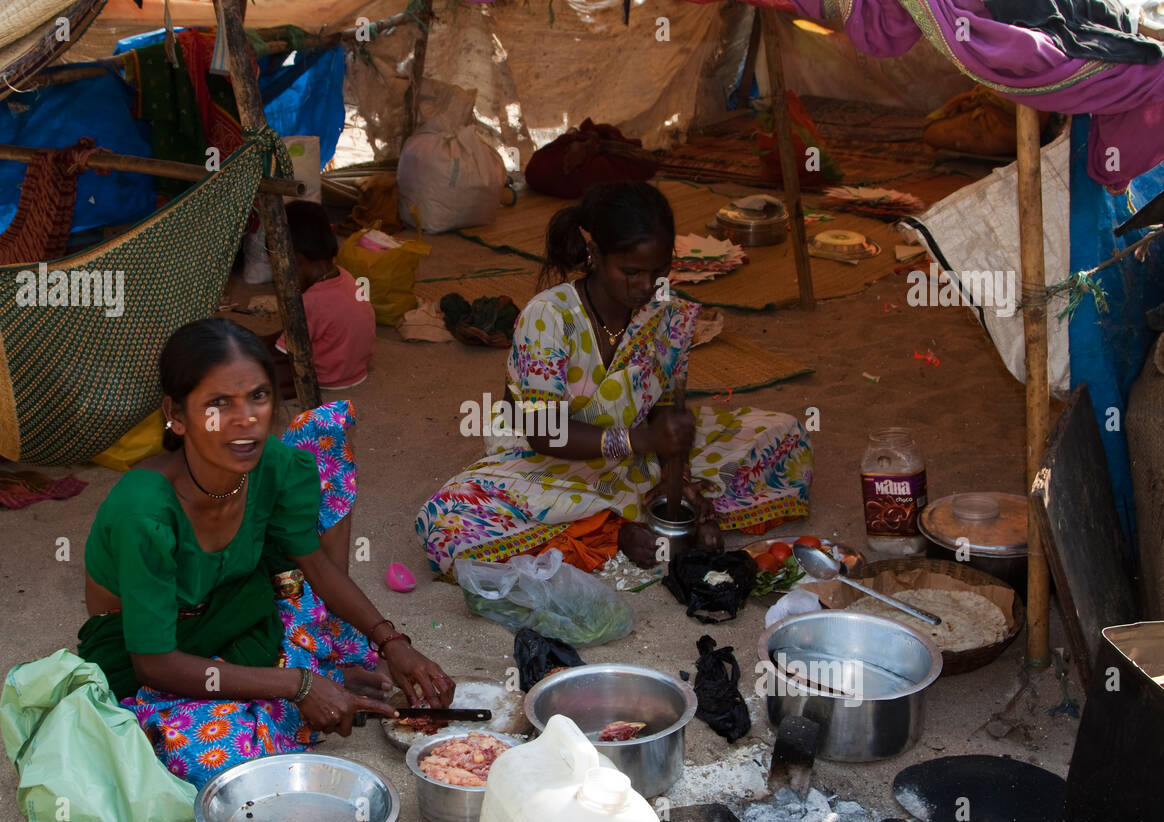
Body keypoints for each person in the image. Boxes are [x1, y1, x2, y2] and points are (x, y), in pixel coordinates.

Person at [78, 318, 453, 787]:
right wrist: (298, 685)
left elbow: (313, 563)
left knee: (324, 437)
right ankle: (304, 677)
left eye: (258, 396)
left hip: (242, 609)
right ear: (175, 414)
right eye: (219, 403)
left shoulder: (266, 465)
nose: (246, 421)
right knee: (219, 759)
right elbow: (153, 662)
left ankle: (307, 675)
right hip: (160, 657)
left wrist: (391, 641)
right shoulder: (146, 511)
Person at [416, 181, 813, 577]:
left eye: (660, 271)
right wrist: (641, 441)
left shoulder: (665, 316)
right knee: (448, 523)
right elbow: (543, 433)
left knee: (784, 434)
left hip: (635, 464)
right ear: (595, 254)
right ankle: (609, 531)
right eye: (631, 272)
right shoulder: (548, 318)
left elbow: (662, 409)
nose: (647, 286)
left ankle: (623, 518)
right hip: (545, 467)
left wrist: (677, 481)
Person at [274, 200, 376, 390]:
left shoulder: (311, 301)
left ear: (295, 260)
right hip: (356, 370)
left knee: (257, 374)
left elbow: (284, 352)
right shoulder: (345, 276)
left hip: (326, 378)